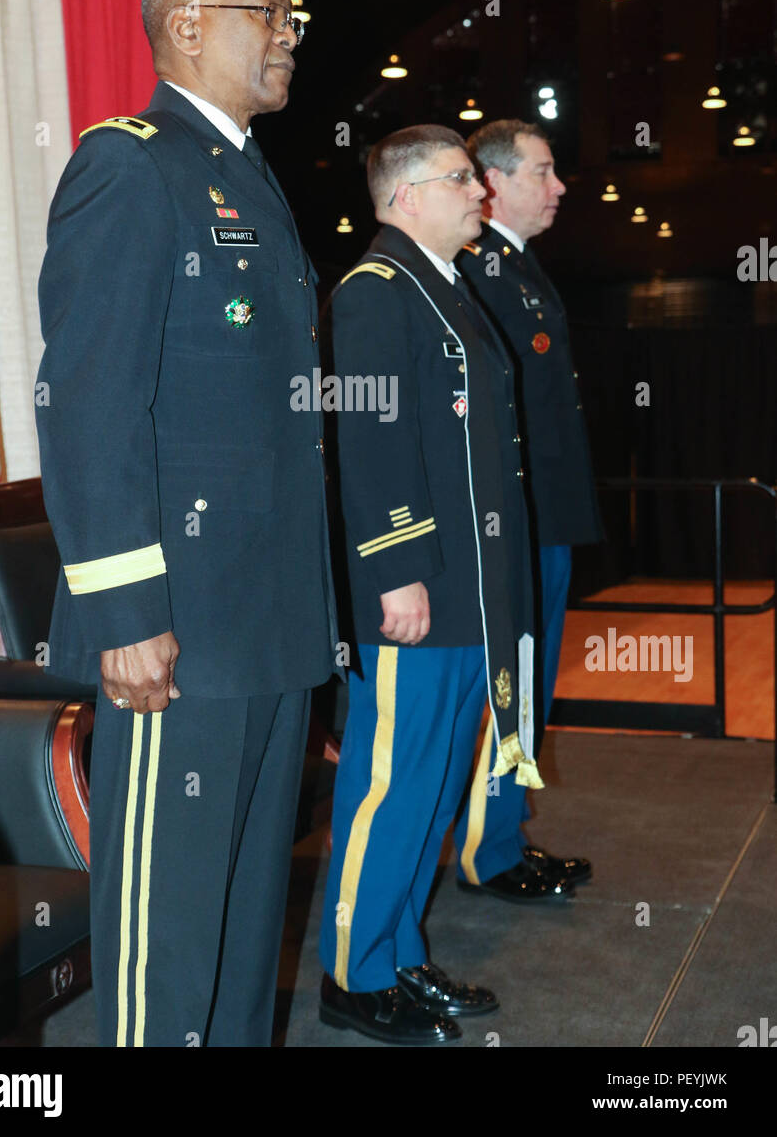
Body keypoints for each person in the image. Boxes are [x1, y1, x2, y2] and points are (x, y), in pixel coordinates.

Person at [35, 0, 338, 1047]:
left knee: (242, 930)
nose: (290, 34)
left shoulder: (246, 176)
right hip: (180, 629)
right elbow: (90, 402)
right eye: (273, 11)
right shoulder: (131, 164)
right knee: (162, 947)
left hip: (265, 623)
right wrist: (126, 613)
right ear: (190, 23)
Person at [318, 125, 541, 1045]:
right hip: (419, 589)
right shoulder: (376, 291)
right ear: (407, 195)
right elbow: (371, 445)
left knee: (437, 779)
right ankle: (354, 975)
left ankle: (400, 955)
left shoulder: (443, 287)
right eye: (461, 180)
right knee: (390, 784)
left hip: (469, 589)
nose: (479, 195)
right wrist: (397, 568)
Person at [453, 119, 602, 903]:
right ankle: (490, 848)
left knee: (530, 683)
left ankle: (503, 837)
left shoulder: (516, 268)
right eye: (543, 172)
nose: (559, 187)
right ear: (494, 182)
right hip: (515, 518)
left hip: (544, 513)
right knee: (509, 684)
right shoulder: (479, 269)